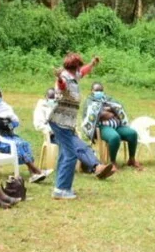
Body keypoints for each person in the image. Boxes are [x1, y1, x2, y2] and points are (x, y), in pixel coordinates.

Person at [49, 53, 114, 200]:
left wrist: (92, 64)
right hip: (60, 121)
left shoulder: (74, 75)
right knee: (71, 154)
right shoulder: (65, 78)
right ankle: (62, 189)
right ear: (74, 66)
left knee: (64, 154)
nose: (80, 70)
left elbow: (83, 72)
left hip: (66, 122)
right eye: (79, 66)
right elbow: (62, 86)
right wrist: (59, 78)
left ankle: (60, 186)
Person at [0, 85, 51, 184]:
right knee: (17, 145)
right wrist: (5, 122)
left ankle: (32, 172)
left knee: (24, 143)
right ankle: (37, 170)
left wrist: (4, 123)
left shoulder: (3, 106)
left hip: (6, 136)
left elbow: (14, 122)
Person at [81, 83, 143, 170]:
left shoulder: (108, 99)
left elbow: (118, 108)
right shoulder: (89, 102)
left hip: (116, 125)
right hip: (102, 127)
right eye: (96, 90)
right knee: (114, 137)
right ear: (92, 91)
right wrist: (106, 112)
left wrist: (108, 111)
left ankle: (132, 159)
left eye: (100, 90)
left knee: (132, 133)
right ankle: (112, 162)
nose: (99, 92)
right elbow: (94, 115)